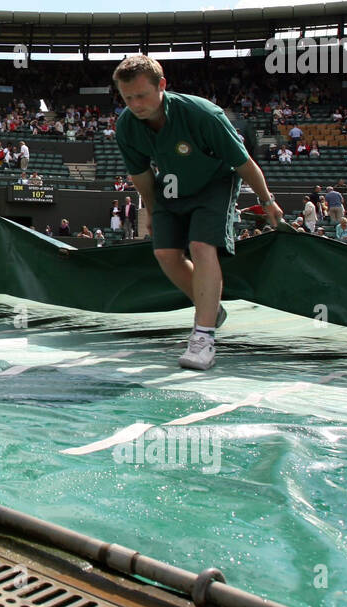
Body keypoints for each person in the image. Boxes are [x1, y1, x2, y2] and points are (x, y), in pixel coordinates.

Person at [112, 55, 281, 371]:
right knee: (164, 252)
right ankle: (212, 309)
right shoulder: (127, 126)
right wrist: (152, 212)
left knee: (202, 247)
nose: (135, 104)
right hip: (171, 186)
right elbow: (141, 175)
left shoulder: (202, 114)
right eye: (127, 97)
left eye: (141, 95)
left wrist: (267, 200)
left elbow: (243, 163)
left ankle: (203, 337)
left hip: (213, 183)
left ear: (161, 85)